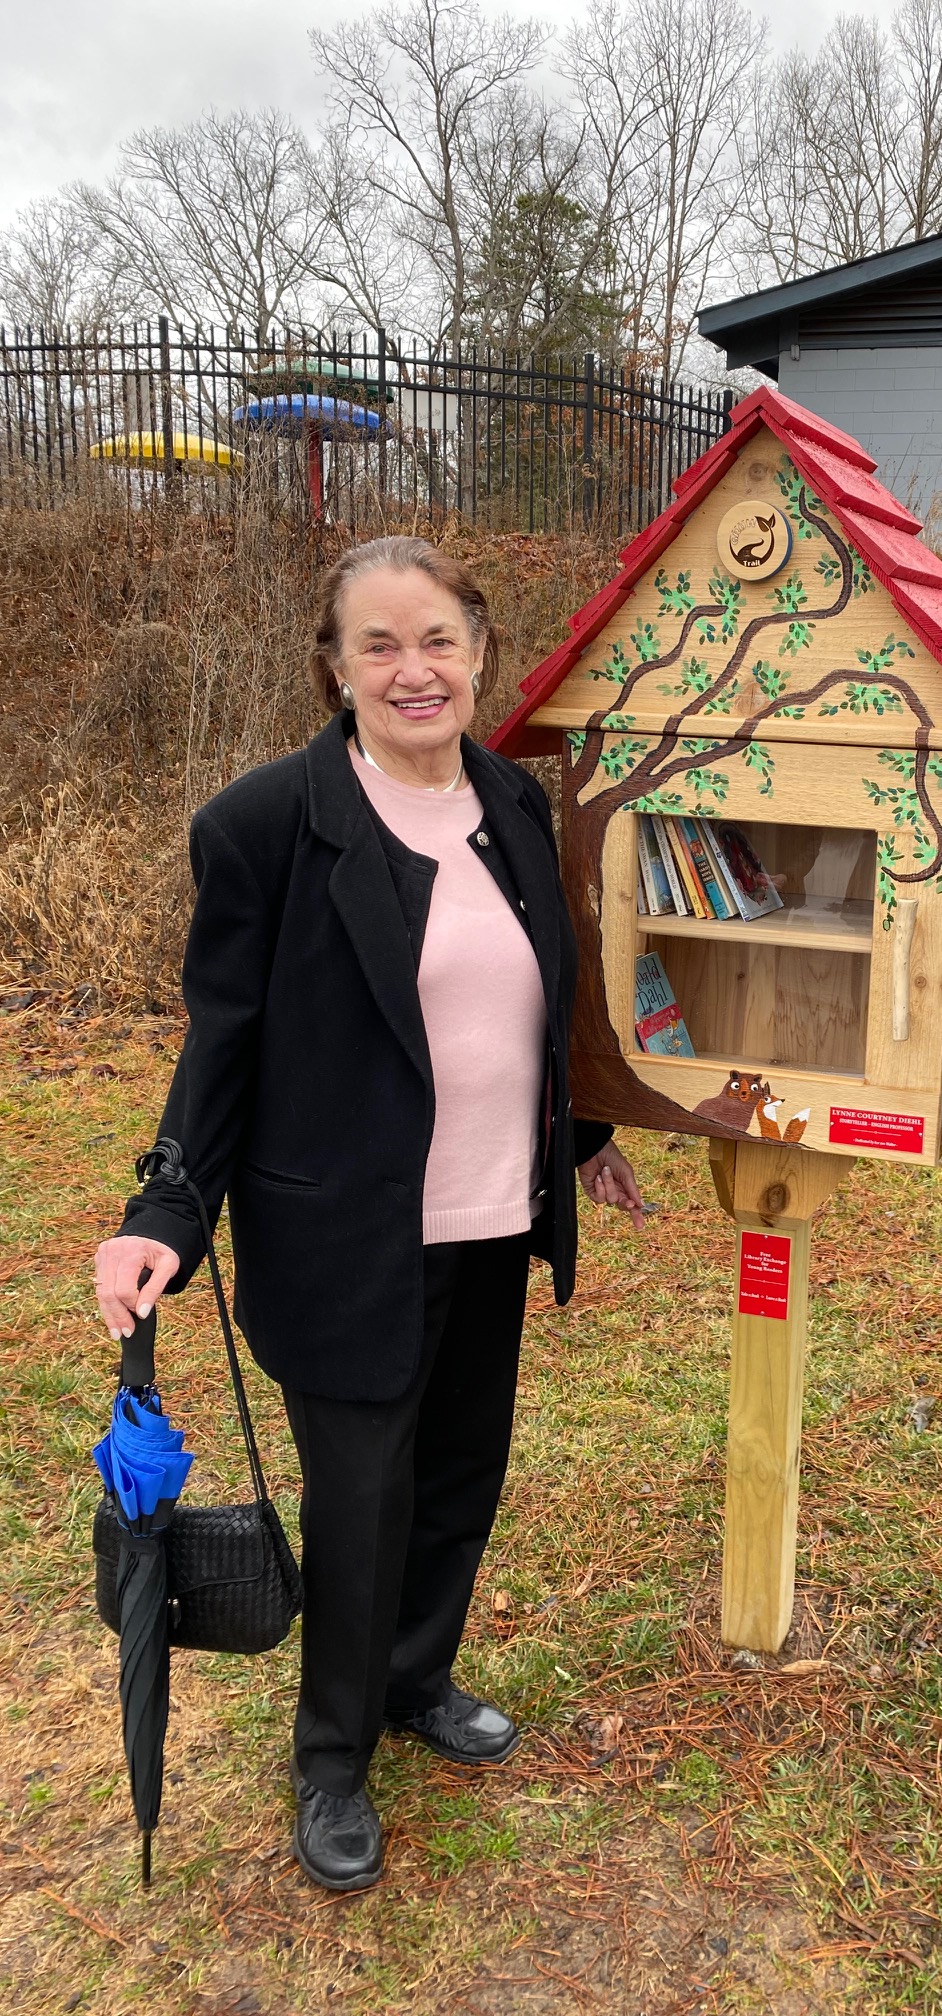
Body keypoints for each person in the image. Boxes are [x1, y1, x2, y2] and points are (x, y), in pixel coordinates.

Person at [93, 536, 644, 1895]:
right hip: (342, 1232)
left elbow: (533, 996)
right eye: (381, 645)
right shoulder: (267, 826)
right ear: (334, 666)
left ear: (479, 653)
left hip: (484, 1217)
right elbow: (224, 1042)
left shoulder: (514, 804)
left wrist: (579, 1140)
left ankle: (414, 1680)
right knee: (360, 1501)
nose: (416, 670)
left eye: (440, 640)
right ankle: (330, 1759)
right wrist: (166, 1203)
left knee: (458, 1472)